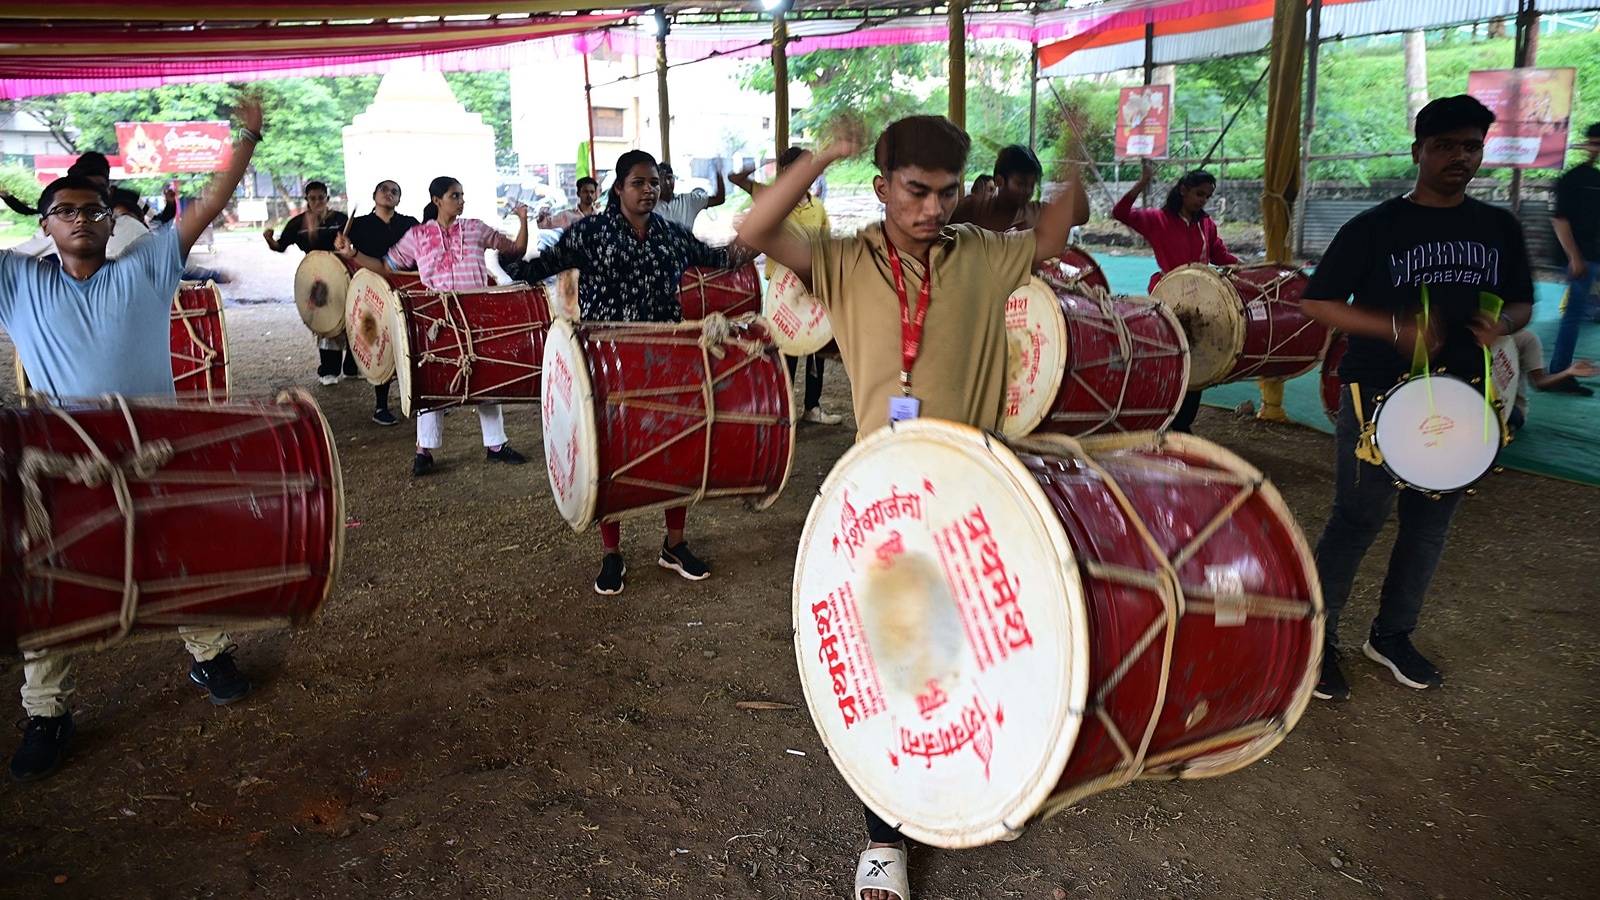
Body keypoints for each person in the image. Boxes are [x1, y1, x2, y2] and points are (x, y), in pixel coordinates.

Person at [736, 115, 1088, 900]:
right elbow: (755, 227)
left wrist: (1072, 153)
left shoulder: (985, 258)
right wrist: (824, 152)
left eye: (947, 191)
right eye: (916, 190)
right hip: (884, 502)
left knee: (988, 653)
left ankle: (978, 785)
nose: (933, 208)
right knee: (900, 665)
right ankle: (884, 839)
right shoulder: (840, 262)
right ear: (883, 188)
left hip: (976, 494)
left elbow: (1054, 238)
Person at [0, 97, 265, 782]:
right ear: (45, 225)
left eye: (95, 210)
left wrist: (248, 136)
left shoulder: (146, 267)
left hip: (152, 445)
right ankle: (47, 713)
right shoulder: (16, 280)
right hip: (59, 457)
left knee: (174, 556)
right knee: (48, 579)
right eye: (68, 210)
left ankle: (210, 658)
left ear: (112, 220)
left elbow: (207, 204)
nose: (83, 219)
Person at [1301, 95, 1534, 702]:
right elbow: (1317, 302)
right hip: (1376, 391)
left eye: (1471, 146)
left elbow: (1520, 301)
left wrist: (1502, 325)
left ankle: (1392, 635)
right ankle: (1314, 643)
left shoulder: (1499, 227)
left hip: (1461, 396)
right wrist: (1392, 329)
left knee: (1430, 526)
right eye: (1446, 145)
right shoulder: (1374, 227)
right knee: (1356, 520)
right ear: (1418, 152)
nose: (1460, 157)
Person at [502, 149, 738, 596]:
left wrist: (760, 235)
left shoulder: (672, 234)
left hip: (666, 358)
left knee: (676, 448)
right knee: (608, 453)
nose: (649, 190)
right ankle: (612, 553)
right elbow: (535, 269)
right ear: (619, 187)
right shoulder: (589, 233)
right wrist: (509, 254)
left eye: (653, 183)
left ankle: (674, 544)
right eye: (639, 183)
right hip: (606, 363)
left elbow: (719, 260)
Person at [336, 176, 530, 476]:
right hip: (436, 318)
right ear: (437, 200)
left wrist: (523, 220)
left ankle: (496, 445)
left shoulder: (476, 229)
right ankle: (423, 451)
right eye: (455, 195)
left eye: (463, 195)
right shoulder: (418, 236)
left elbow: (515, 250)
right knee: (433, 378)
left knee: (486, 374)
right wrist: (352, 255)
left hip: (477, 312)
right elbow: (387, 267)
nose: (462, 200)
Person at [1113, 162, 1240, 432]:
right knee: (1175, 360)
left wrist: (1247, 269)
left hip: (1204, 304)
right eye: (1199, 194)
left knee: (1198, 364)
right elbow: (1120, 212)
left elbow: (1219, 255)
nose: (1203, 200)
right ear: (1183, 190)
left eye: (1207, 196)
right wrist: (1142, 183)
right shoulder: (1157, 220)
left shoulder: (1206, 224)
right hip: (1169, 300)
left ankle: (1182, 423)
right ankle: (1166, 418)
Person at [730, 148, 844, 426]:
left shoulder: (818, 206)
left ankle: (812, 407)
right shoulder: (772, 199)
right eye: (798, 170)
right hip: (783, 290)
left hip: (813, 286)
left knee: (816, 347)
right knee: (786, 348)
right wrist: (766, 164)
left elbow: (826, 245)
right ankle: (784, 409)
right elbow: (736, 178)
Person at [344, 179, 421, 426]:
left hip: (406, 287)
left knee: (414, 340)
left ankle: (420, 400)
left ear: (399, 199)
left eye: (395, 191)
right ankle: (381, 407)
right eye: (384, 190)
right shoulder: (358, 225)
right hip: (371, 290)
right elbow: (341, 254)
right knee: (380, 344)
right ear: (374, 194)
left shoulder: (409, 224)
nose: (389, 194)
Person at [1548, 122, 1600, 382]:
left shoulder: (1597, 179)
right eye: (1595, 143)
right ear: (1589, 145)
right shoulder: (1574, 178)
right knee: (1574, 314)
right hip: (1581, 257)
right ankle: (1559, 371)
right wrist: (1574, 257)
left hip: (1594, 255)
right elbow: (1560, 220)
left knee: (1580, 312)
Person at [1496, 328, 1597, 435]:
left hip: (1511, 408)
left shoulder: (1526, 338)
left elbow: (1539, 382)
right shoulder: (1477, 336)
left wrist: (1568, 372)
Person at [949, 144, 1044, 231]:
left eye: (1032, 185)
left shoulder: (1038, 213)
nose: (1028, 191)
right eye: (1021, 184)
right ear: (1000, 181)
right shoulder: (971, 210)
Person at [655, 161, 726, 232]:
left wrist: (719, 173)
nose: (667, 183)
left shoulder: (689, 201)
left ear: (674, 178)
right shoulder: (651, 205)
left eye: (669, 178)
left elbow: (719, 199)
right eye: (662, 178)